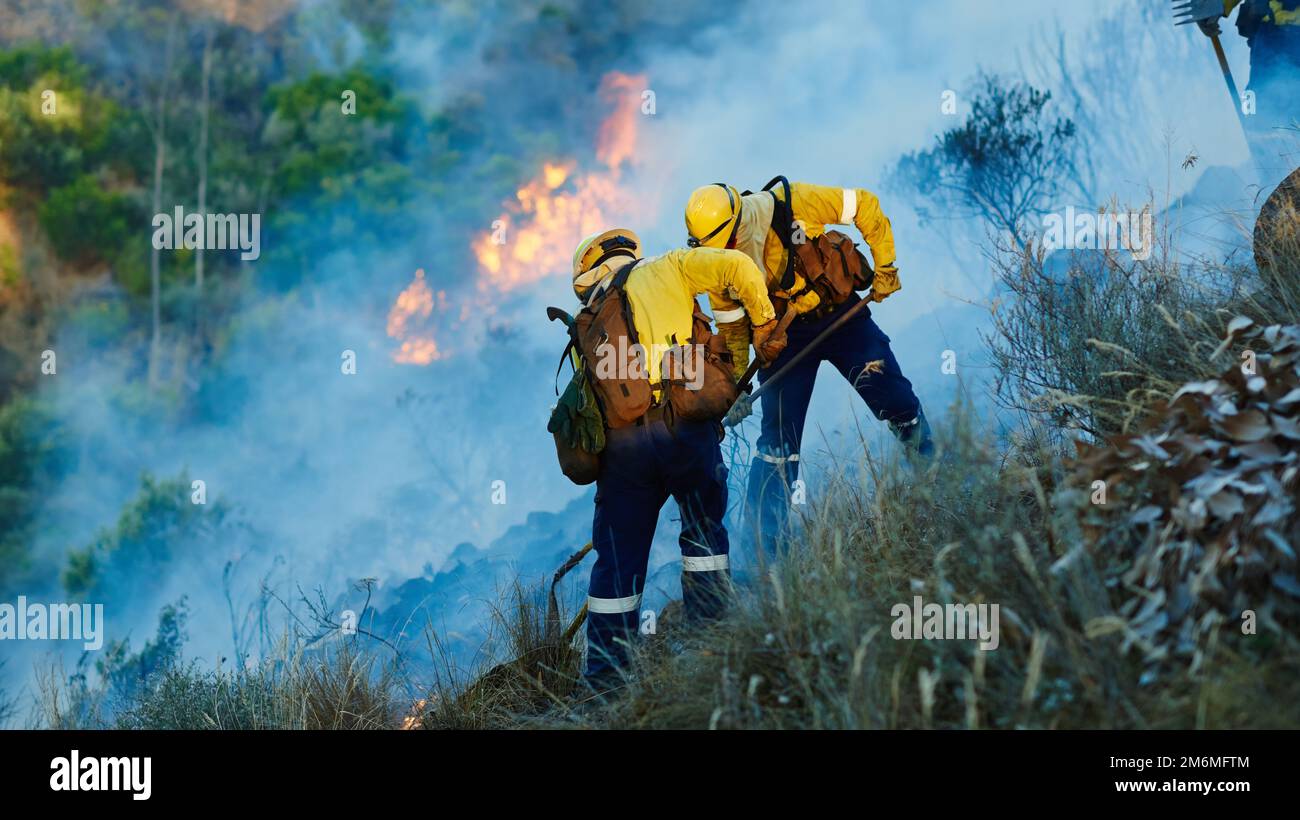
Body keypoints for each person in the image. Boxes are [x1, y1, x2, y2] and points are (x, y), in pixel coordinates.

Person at [568, 228, 784, 688]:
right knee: (703, 535)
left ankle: (605, 680)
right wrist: (763, 325)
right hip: (684, 431)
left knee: (617, 563)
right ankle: (709, 639)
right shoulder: (669, 267)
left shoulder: (589, 318)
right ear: (628, 253)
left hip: (623, 450)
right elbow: (739, 266)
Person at [684, 179, 932, 554]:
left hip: (841, 317)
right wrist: (734, 387)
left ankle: (932, 470)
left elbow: (864, 204)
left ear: (737, 227)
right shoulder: (718, 268)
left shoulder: (796, 202)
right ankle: (765, 551)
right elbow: (734, 329)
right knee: (777, 442)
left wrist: (886, 266)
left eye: (725, 246)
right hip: (784, 341)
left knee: (893, 396)